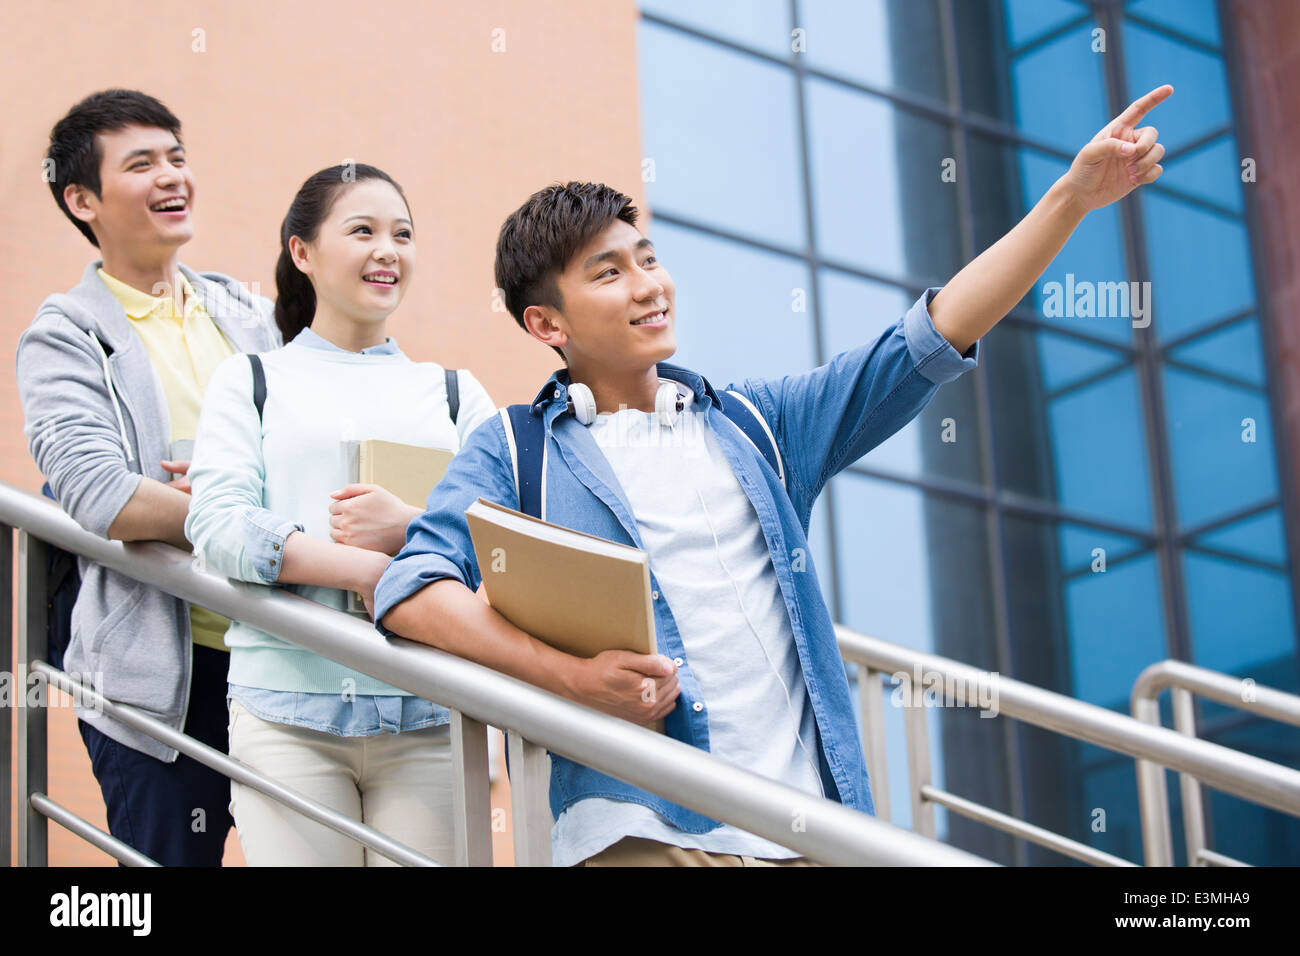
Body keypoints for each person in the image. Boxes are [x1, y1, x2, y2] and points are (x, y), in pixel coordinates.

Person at [374, 86, 1173, 866]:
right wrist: (572, 681)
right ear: (546, 323)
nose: (649, 285)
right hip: (640, 827)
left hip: (804, 830)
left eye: (647, 259)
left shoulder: (760, 426)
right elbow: (412, 591)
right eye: (609, 273)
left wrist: (1069, 199)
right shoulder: (515, 448)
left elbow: (932, 335)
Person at [184, 164, 497, 866]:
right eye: (363, 231)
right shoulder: (252, 380)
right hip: (283, 716)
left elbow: (506, 542)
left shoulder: (454, 395)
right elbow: (218, 524)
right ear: (303, 252)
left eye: (403, 234)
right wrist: (364, 566)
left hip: (432, 714)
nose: (388, 250)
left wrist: (408, 527)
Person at [15, 89, 279, 866]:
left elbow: (308, 462)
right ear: (83, 199)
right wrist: (240, 505)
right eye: (143, 164)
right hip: (157, 679)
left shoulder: (246, 313)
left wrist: (223, 497)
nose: (173, 177)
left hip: (279, 655)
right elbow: (101, 495)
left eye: (178, 157)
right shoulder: (65, 332)